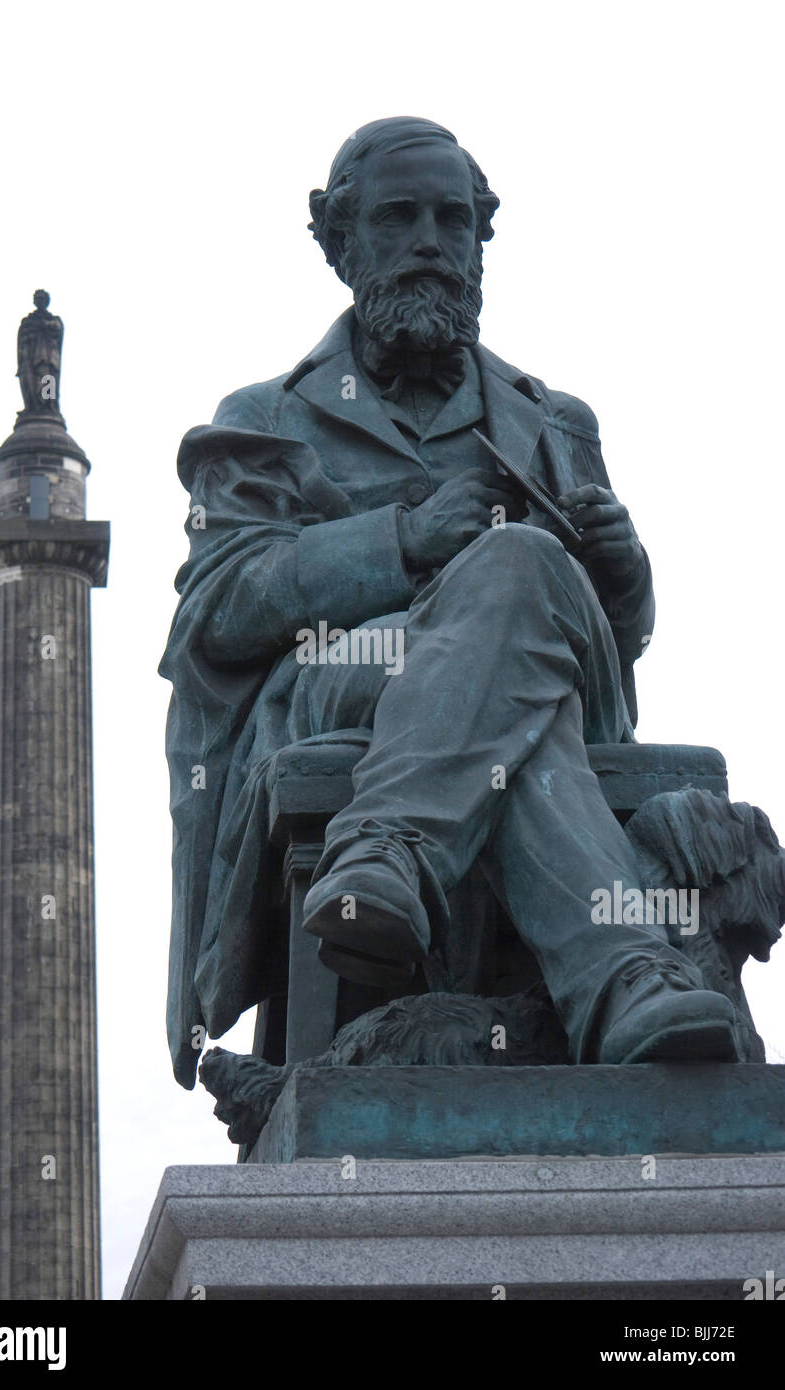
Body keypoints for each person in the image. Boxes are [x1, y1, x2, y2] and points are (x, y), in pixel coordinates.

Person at [160, 117, 738, 1089]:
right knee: (514, 676)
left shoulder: (553, 420)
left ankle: (388, 853)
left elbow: (617, 637)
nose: (431, 240)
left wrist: (626, 572)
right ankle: (629, 977)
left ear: (481, 239)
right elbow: (215, 610)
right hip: (346, 675)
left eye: (453, 219)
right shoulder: (263, 418)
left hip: (541, 679)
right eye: (399, 217)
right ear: (341, 243)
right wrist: (402, 543)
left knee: (519, 583)